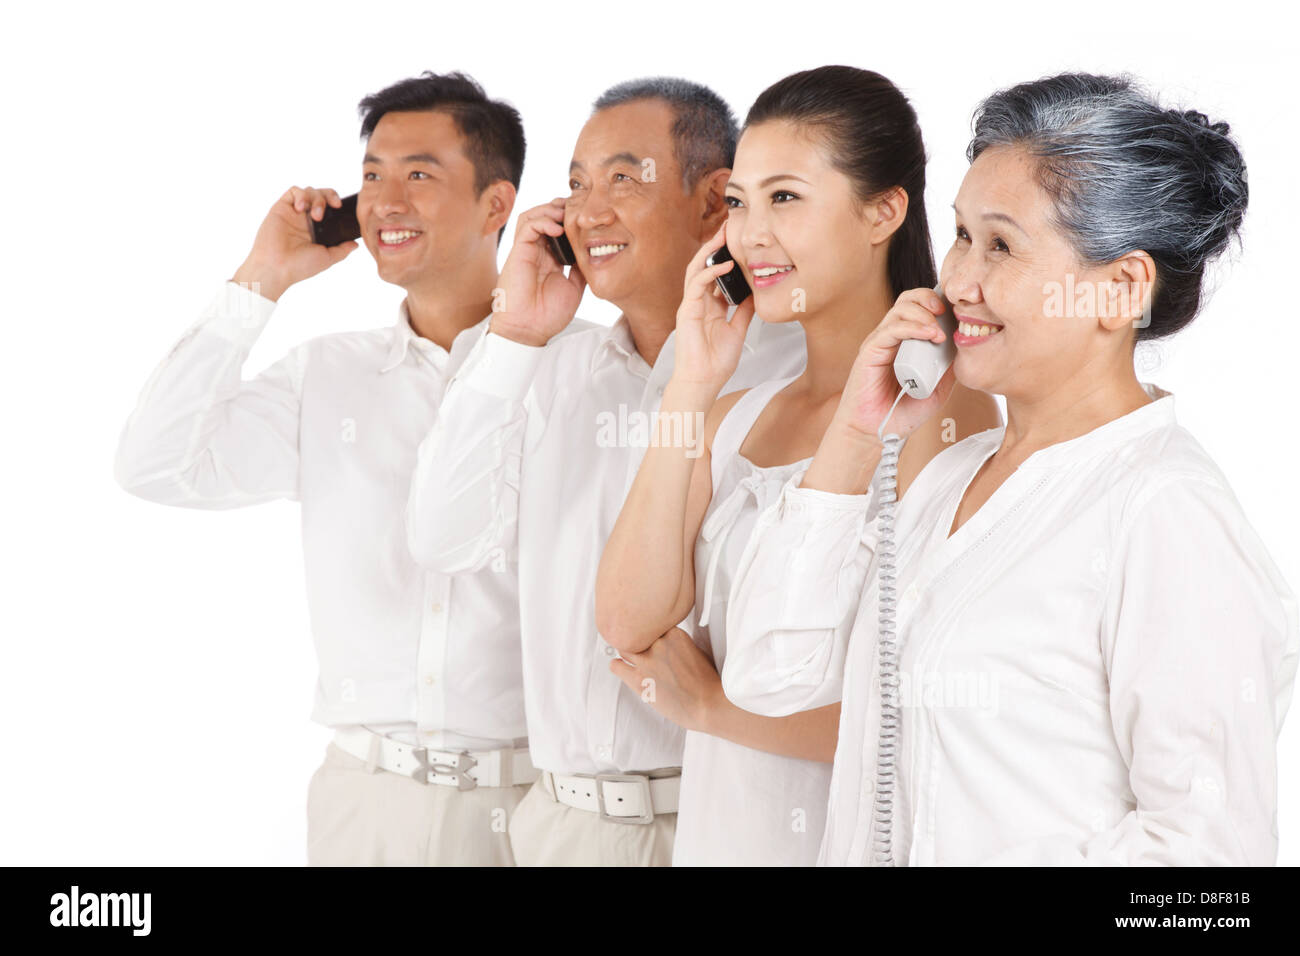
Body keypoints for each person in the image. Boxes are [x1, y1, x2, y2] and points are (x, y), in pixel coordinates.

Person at [722, 72, 1299, 866]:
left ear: (1121, 288)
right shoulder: (945, 479)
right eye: (960, 235)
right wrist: (857, 436)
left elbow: (1206, 873)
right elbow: (766, 673)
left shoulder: (1167, 515)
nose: (955, 281)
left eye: (1000, 245)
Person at [113, 71, 557, 866]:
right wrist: (263, 278)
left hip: (539, 805)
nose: (386, 200)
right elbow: (154, 463)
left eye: (419, 174)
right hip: (365, 804)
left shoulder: (579, 370)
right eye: (371, 176)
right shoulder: (326, 377)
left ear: (498, 205)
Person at [594, 66, 1001, 866]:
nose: (750, 234)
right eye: (739, 202)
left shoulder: (944, 413)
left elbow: (927, 709)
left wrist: (715, 709)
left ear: (884, 210)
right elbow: (626, 622)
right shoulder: (732, 410)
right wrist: (692, 380)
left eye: (784, 198)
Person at [405, 77, 807, 866]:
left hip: (723, 817)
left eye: (623, 179)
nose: (588, 214)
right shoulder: (543, 371)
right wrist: (517, 332)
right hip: (558, 825)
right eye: (577, 184)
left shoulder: (800, 377)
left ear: (714, 200)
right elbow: (440, 541)